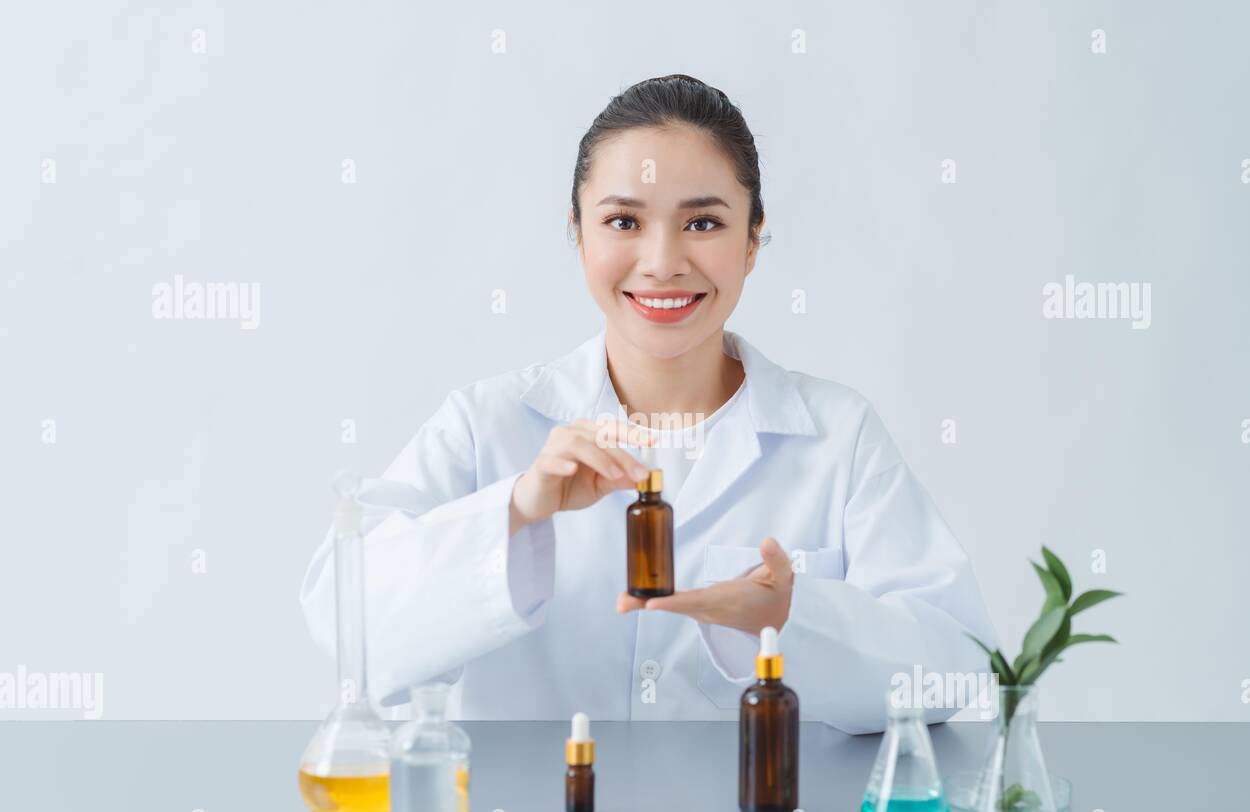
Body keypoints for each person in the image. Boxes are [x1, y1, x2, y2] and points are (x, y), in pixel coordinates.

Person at [299, 74, 997, 734]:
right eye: (624, 221)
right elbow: (346, 625)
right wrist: (514, 509)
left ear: (753, 240)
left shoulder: (839, 438)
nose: (662, 261)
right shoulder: (487, 425)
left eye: (702, 224)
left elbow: (955, 666)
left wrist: (794, 615)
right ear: (577, 232)